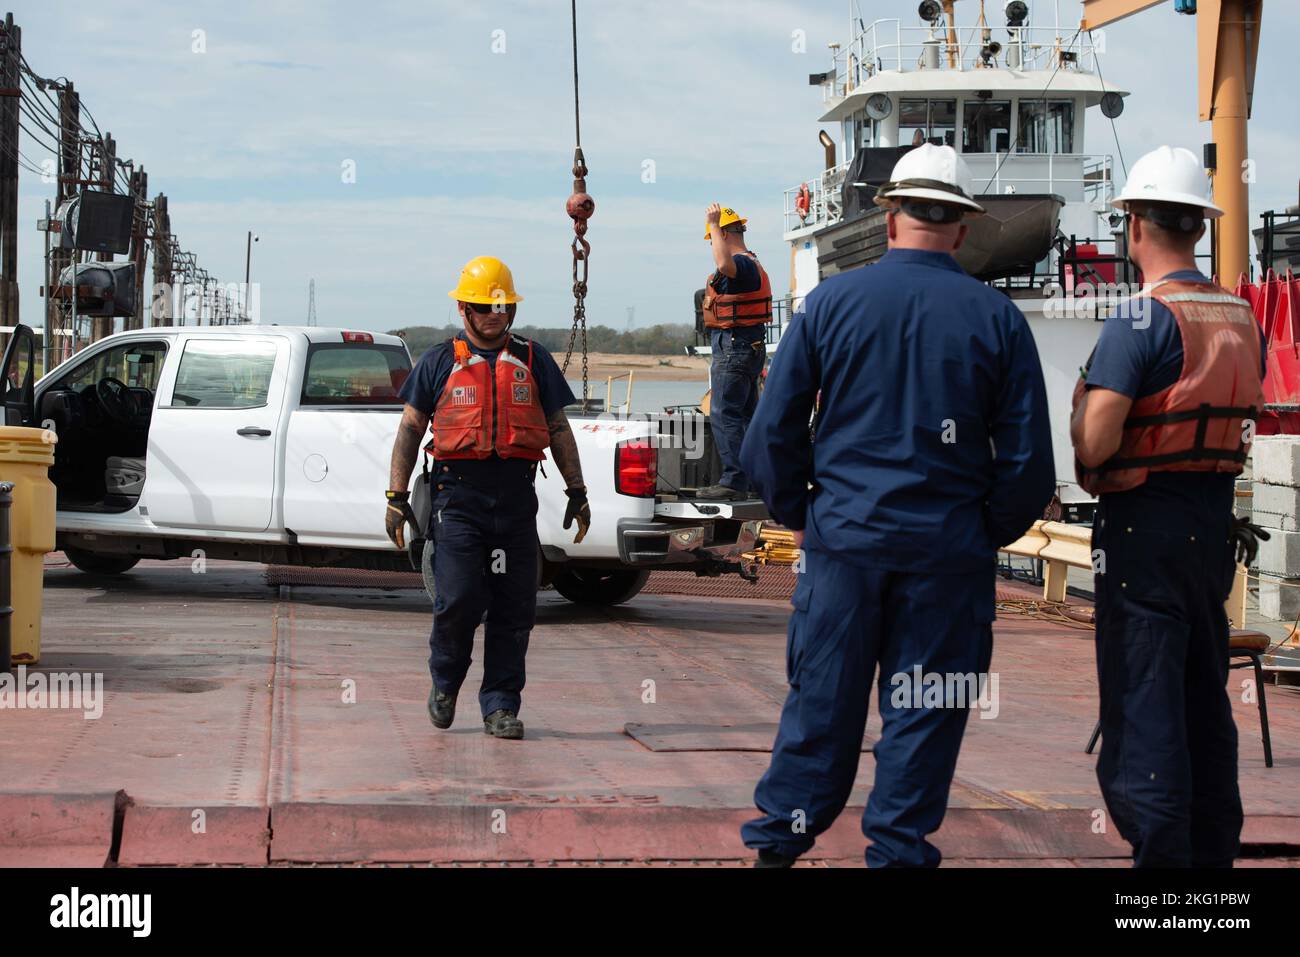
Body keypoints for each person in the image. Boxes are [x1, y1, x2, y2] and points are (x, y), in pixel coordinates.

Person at [738, 144, 1055, 867]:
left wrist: (807, 514)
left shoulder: (830, 304)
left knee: (822, 707)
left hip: (845, 550)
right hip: (947, 562)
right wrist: (977, 531)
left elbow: (770, 436)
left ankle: (776, 851)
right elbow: (1030, 466)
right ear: (964, 229)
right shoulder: (999, 319)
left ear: (888, 218)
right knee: (923, 716)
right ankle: (897, 851)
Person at [1070, 145, 1267, 867]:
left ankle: (1162, 878)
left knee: (1146, 703)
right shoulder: (1243, 317)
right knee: (1202, 703)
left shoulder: (1140, 321)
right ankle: (1211, 866)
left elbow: (1095, 443)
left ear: (1135, 226)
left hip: (1143, 535)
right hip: (1211, 533)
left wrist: (1080, 411)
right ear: (1200, 227)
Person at [385, 255, 591, 740]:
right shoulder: (438, 361)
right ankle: (445, 683)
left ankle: (500, 705)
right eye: (484, 305)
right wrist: (396, 496)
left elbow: (558, 428)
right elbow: (410, 429)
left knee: (515, 607)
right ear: (465, 309)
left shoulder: (534, 359)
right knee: (457, 599)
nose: (494, 313)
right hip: (457, 499)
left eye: (501, 305)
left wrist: (577, 491)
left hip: (516, 499)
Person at [698, 203, 772, 501]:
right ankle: (754, 479)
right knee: (744, 415)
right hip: (745, 347)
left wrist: (713, 224)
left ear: (726, 233)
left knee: (724, 412)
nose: (713, 244)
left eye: (716, 237)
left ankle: (733, 481)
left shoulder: (739, 264)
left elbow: (724, 265)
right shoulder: (752, 264)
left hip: (734, 347)